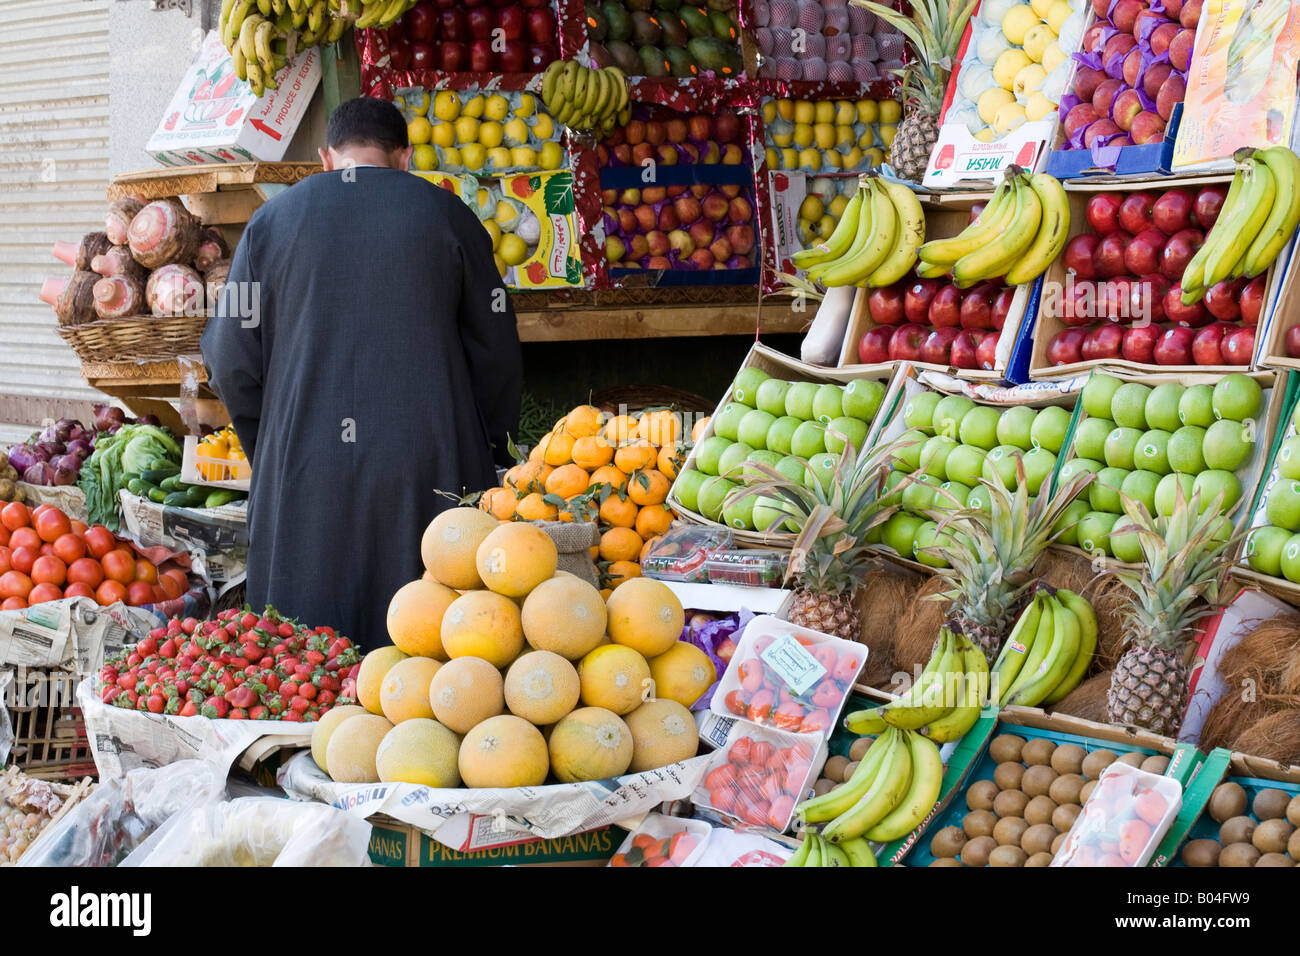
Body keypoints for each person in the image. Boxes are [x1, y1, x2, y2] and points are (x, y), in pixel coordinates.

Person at [201, 96, 522, 650]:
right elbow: (495, 348)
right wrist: (490, 445)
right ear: (404, 158)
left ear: (327, 158)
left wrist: (271, 447)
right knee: (428, 642)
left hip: (306, 463)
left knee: (305, 658)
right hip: (431, 461)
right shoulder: (449, 216)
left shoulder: (269, 224)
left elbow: (230, 358)